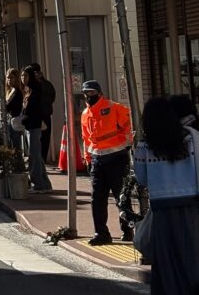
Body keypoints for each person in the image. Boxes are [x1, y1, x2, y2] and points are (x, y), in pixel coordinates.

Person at [134, 97, 199, 294]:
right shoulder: (190, 138)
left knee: (166, 258)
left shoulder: (144, 146)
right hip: (191, 203)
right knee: (192, 254)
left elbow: (142, 179)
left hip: (161, 207)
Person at [79, 79, 133, 245]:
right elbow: (86, 139)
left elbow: (129, 127)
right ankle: (101, 233)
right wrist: (88, 159)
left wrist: (125, 146)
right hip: (97, 161)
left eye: (91, 93)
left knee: (121, 197)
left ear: (99, 93)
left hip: (116, 158)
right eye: (86, 93)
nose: (88, 96)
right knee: (98, 199)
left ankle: (128, 230)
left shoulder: (114, 108)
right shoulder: (85, 114)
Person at [21, 65, 53, 194]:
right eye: (22, 75)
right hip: (29, 126)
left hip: (35, 126)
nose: (23, 78)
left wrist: (26, 116)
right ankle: (44, 183)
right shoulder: (27, 90)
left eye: (26, 75)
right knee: (37, 156)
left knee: (34, 156)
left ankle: (38, 184)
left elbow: (35, 109)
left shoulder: (36, 90)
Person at [30, 63, 56, 162]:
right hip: (46, 114)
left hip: (37, 115)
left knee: (36, 139)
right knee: (45, 138)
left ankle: (39, 160)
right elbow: (52, 97)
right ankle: (42, 159)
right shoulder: (47, 84)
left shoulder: (34, 84)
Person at [5, 68, 24, 151]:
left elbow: (11, 106)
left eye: (11, 77)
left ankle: (18, 162)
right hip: (10, 119)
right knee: (12, 143)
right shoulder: (10, 90)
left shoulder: (18, 92)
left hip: (16, 119)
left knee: (16, 144)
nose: (9, 80)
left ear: (16, 78)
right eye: (8, 77)